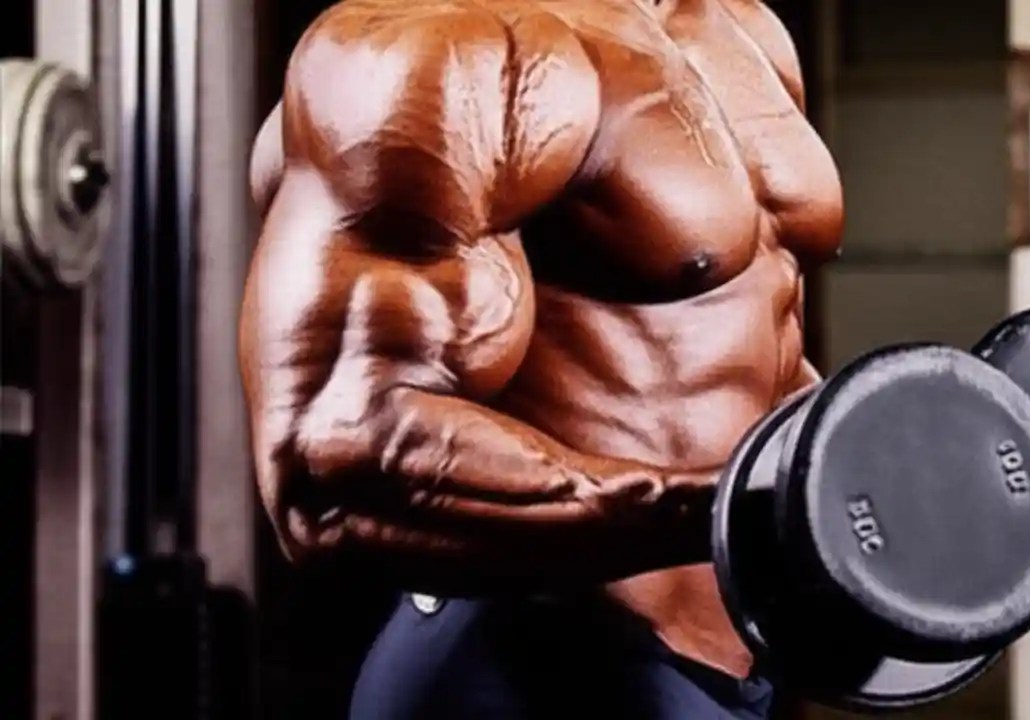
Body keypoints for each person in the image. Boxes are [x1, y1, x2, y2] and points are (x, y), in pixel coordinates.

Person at [240, 0, 843, 717]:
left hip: (728, 673)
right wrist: (740, 506)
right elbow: (338, 460)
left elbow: (748, 355)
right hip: (534, 665)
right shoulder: (440, 47)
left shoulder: (741, 29)